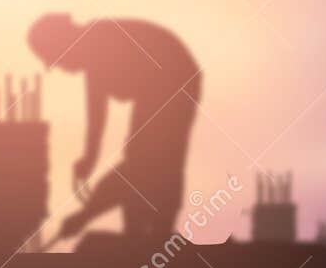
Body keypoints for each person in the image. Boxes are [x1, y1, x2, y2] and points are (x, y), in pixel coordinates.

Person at [27, 13, 201, 243]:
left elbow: (132, 168)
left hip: (174, 81)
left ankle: (155, 233)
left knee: (154, 160)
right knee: (144, 160)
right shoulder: (94, 49)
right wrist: (89, 158)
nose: (57, 66)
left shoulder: (99, 45)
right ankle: (139, 233)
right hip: (161, 84)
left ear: (62, 43)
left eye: (53, 58)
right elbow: (97, 116)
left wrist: (84, 216)